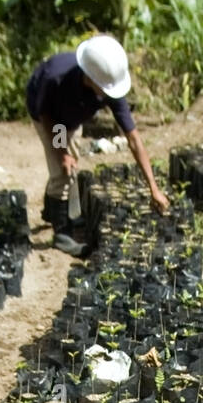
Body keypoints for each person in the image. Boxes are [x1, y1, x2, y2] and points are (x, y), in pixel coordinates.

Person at [26, 33, 170, 255]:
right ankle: (62, 234)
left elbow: (133, 139)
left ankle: (52, 209)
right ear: (89, 78)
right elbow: (46, 115)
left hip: (72, 116)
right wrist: (61, 151)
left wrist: (154, 188)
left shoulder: (109, 84)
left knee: (68, 165)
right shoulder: (56, 78)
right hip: (49, 116)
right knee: (63, 170)